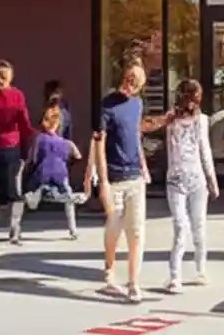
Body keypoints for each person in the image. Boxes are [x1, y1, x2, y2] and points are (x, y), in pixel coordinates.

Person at [87, 62, 159, 304]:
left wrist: (143, 166)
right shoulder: (107, 105)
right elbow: (99, 144)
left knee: (136, 231)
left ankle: (134, 283)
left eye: (136, 84)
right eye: (130, 80)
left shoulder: (137, 104)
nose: (131, 86)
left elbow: (136, 136)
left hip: (135, 176)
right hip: (114, 177)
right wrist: (103, 181)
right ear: (124, 77)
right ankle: (109, 270)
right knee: (114, 226)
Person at [163, 79, 219, 294]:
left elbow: (205, 150)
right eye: (192, 96)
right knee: (180, 227)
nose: (194, 102)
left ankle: (201, 270)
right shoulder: (171, 120)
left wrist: (212, 180)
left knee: (199, 226)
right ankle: (174, 276)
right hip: (175, 180)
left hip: (197, 179)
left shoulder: (202, 120)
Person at [0, 59, 36, 245]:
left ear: (10, 78)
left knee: (12, 188)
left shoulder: (17, 96)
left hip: (11, 146)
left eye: (3, 76)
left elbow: (24, 122)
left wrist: (29, 145)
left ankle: (14, 228)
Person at [24, 104, 88, 239]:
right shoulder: (66, 143)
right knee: (68, 198)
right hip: (61, 174)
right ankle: (73, 229)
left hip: (42, 174)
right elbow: (78, 156)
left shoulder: (39, 139)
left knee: (32, 190)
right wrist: (67, 163)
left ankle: (34, 196)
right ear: (59, 124)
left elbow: (33, 159)